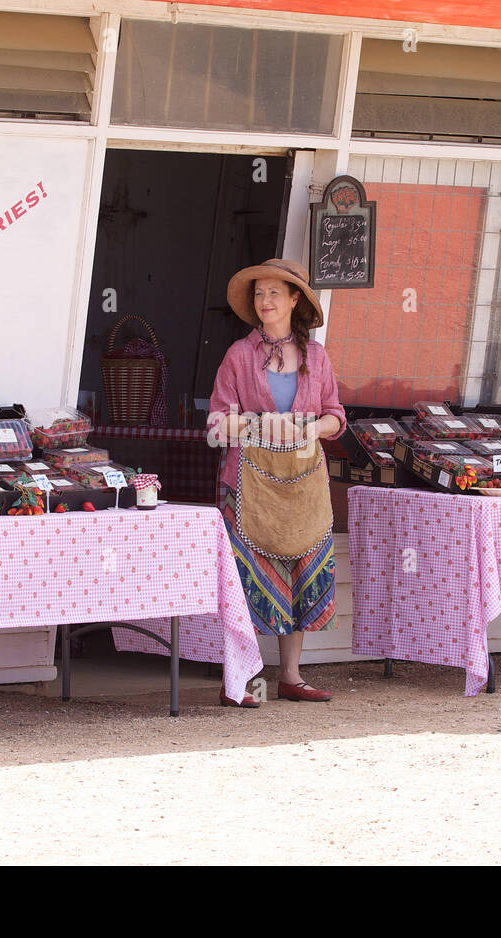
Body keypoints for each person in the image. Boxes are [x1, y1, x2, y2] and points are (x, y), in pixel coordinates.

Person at [208, 258, 346, 707]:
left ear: (294, 301)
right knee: (245, 581)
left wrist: (310, 428)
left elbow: (337, 418)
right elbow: (215, 423)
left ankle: (290, 676)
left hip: (305, 485)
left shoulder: (317, 357)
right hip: (249, 485)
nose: (264, 301)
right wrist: (260, 423)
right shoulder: (238, 355)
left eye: (273, 293)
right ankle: (239, 681)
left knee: (304, 575)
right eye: (258, 293)